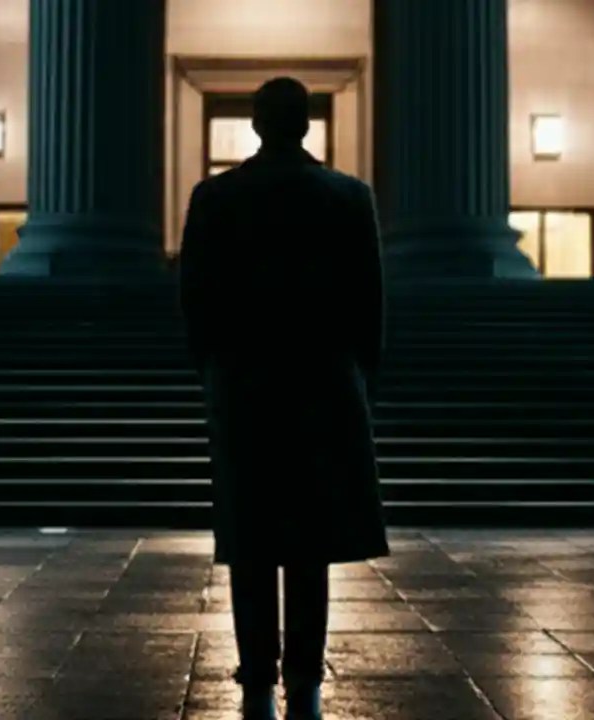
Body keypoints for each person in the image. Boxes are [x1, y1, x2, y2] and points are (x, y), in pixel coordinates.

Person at [177, 77, 390, 720]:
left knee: (252, 540)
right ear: (306, 125)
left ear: (256, 124)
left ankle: (257, 680)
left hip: (246, 389)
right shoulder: (349, 197)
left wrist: (213, 373)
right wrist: (358, 380)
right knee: (309, 545)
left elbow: (196, 301)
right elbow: (369, 304)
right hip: (324, 387)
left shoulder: (216, 198)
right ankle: (304, 677)